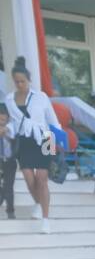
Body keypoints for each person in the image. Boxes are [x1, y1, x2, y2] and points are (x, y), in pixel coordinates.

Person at [3, 58, 61, 233]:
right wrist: (7, 129)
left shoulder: (41, 97)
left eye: (23, 81)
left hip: (45, 138)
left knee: (42, 179)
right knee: (29, 180)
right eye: (17, 81)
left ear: (29, 80)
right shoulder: (9, 99)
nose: (20, 84)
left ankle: (45, 219)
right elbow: (13, 123)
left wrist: (57, 143)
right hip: (25, 140)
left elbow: (53, 121)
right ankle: (37, 202)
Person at [0, 109, 15, 220]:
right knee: (3, 188)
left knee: (8, 187)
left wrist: (6, 132)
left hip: (9, 161)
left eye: (3, 119)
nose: (1, 121)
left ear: (8, 119)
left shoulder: (11, 129)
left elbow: (14, 136)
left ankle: (10, 211)